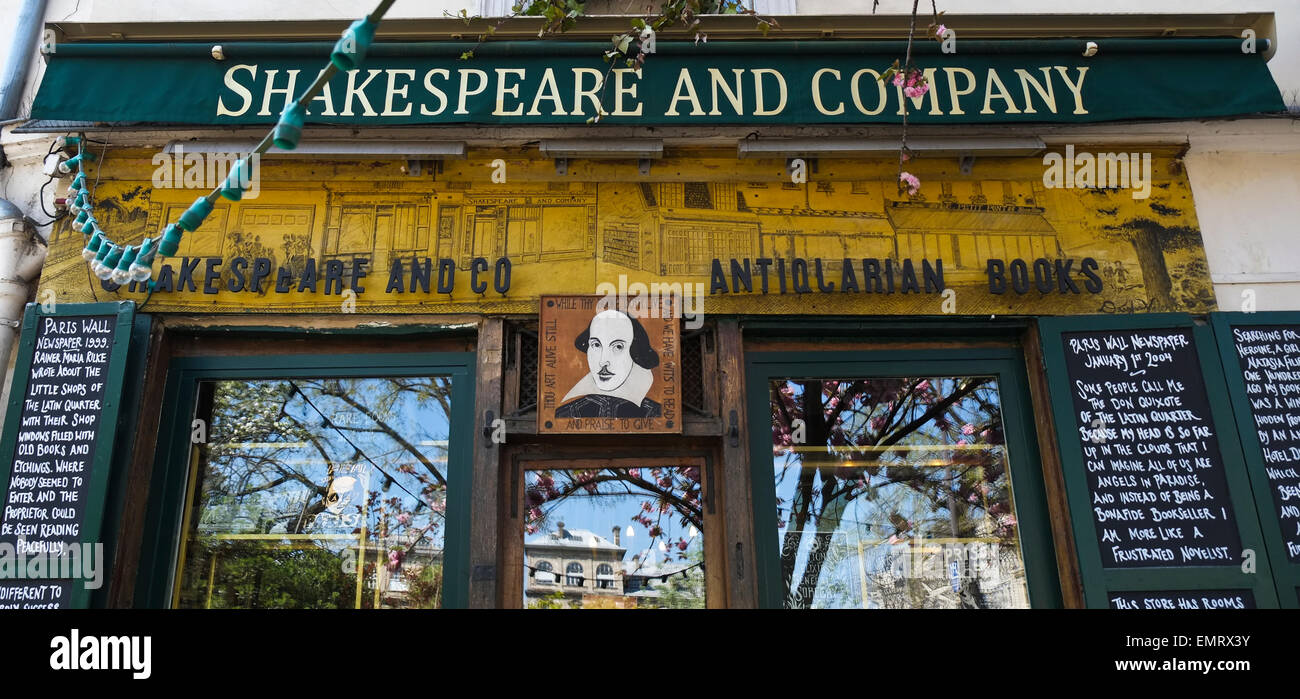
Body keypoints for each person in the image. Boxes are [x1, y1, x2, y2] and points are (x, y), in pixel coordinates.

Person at [555, 309, 662, 419]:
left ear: (635, 352)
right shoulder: (565, 414)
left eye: (618, 347)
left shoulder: (655, 414)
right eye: (596, 345)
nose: (603, 362)